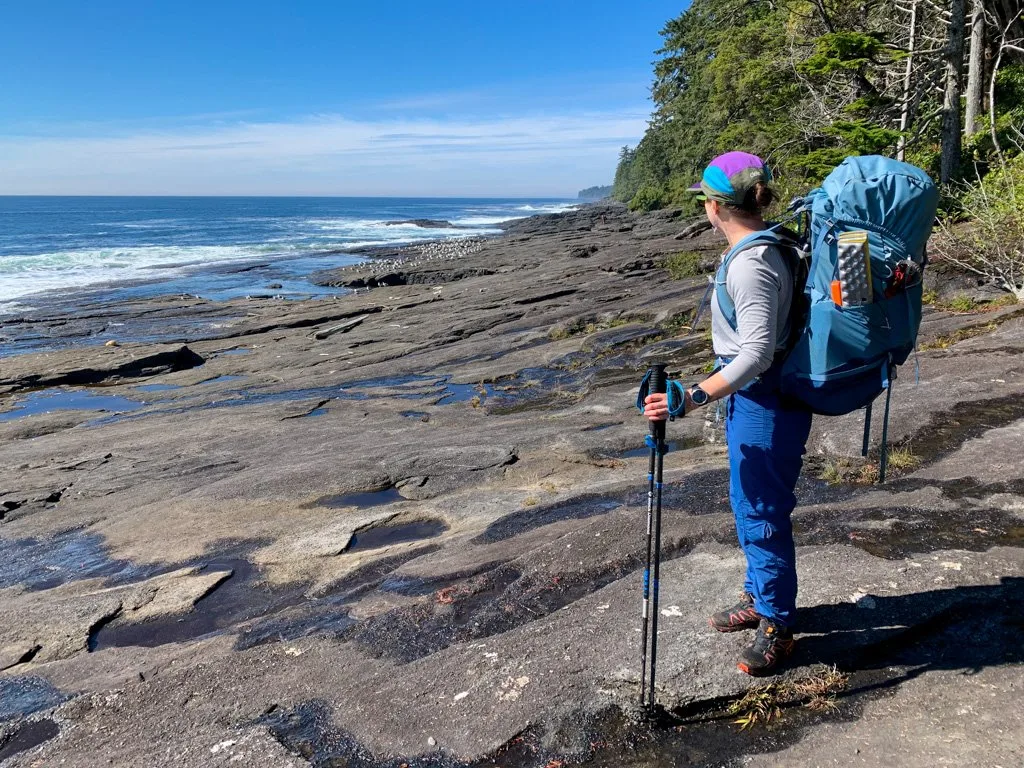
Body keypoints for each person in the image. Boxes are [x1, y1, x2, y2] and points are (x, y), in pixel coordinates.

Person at [643, 151, 812, 676]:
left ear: (716, 205)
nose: (704, 208)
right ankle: (761, 595)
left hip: (765, 402)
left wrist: (692, 396)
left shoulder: (751, 263)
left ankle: (778, 625)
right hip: (758, 397)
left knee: (760, 512)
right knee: (749, 503)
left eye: (704, 200)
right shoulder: (766, 245)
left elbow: (757, 351)